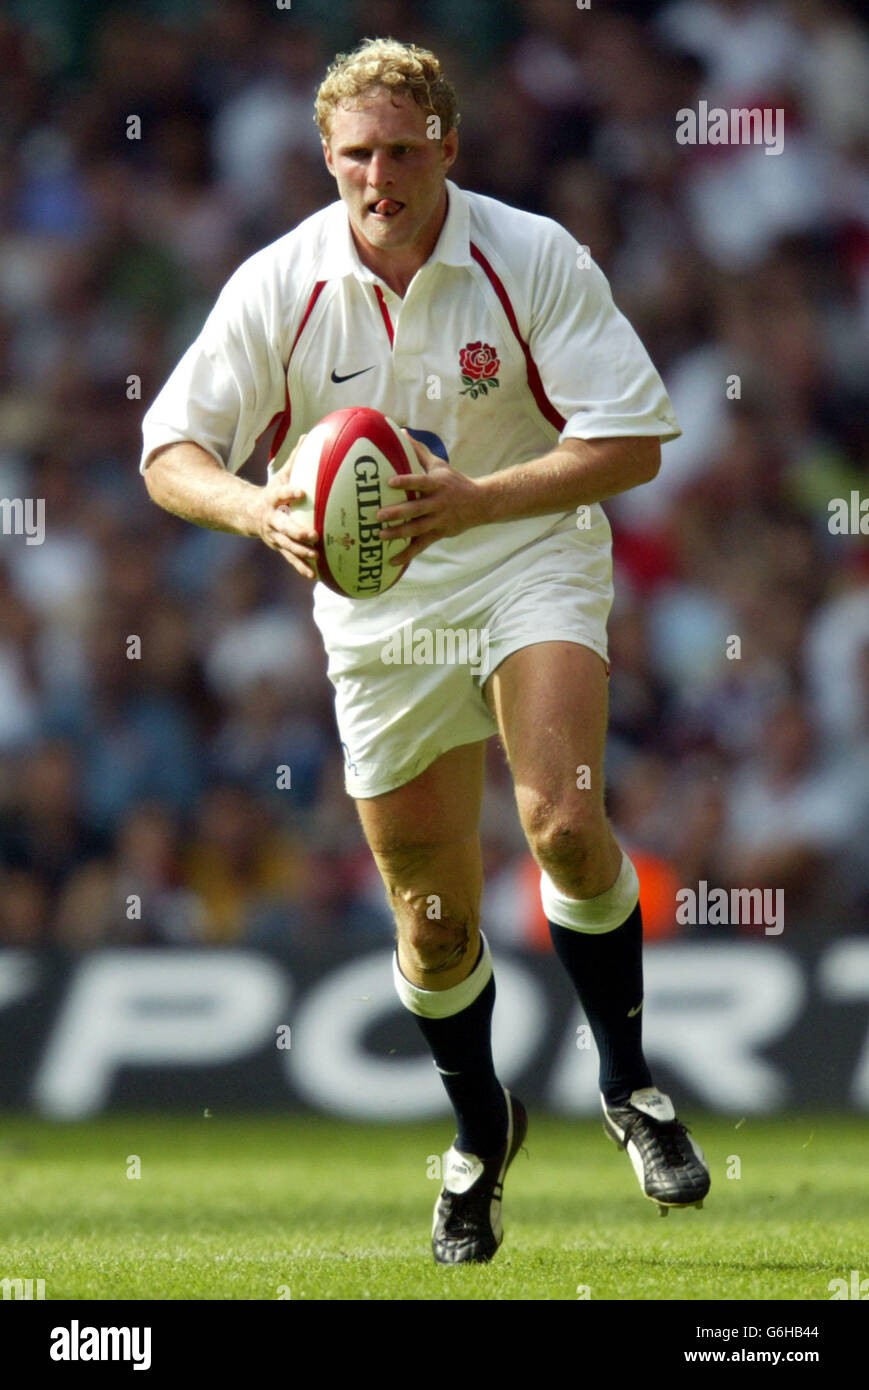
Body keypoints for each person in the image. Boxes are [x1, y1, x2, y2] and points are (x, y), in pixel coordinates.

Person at [141, 37, 710, 1264]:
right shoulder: (277, 281)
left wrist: (475, 500)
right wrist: (263, 510)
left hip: (523, 547)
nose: (380, 176)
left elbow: (632, 441)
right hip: (375, 600)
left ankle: (627, 1083)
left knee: (560, 816)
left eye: (404, 150)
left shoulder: (532, 254)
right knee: (436, 917)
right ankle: (476, 1131)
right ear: (324, 157)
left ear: (449, 146)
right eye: (357, 154)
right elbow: (169, 451)